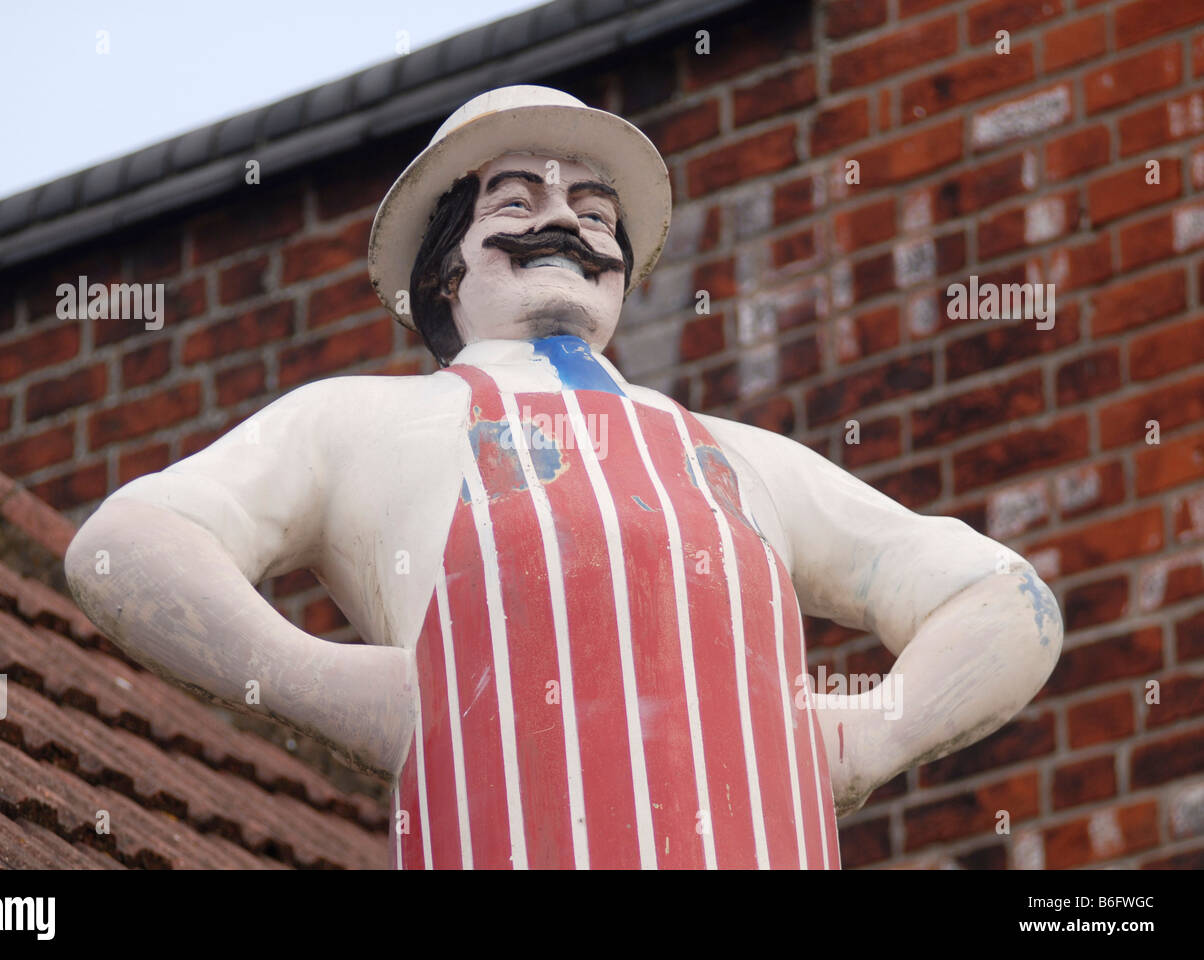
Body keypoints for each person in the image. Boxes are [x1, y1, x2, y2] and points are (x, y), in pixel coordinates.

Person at [66, 86, 1063, 869]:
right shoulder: (363, 419)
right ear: (444, 269)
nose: (568, 226)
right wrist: (325, 687)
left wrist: (865, 739)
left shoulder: (737, 454)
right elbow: (129, 545)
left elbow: (1003, 597)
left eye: (594, 211)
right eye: (518, 201)